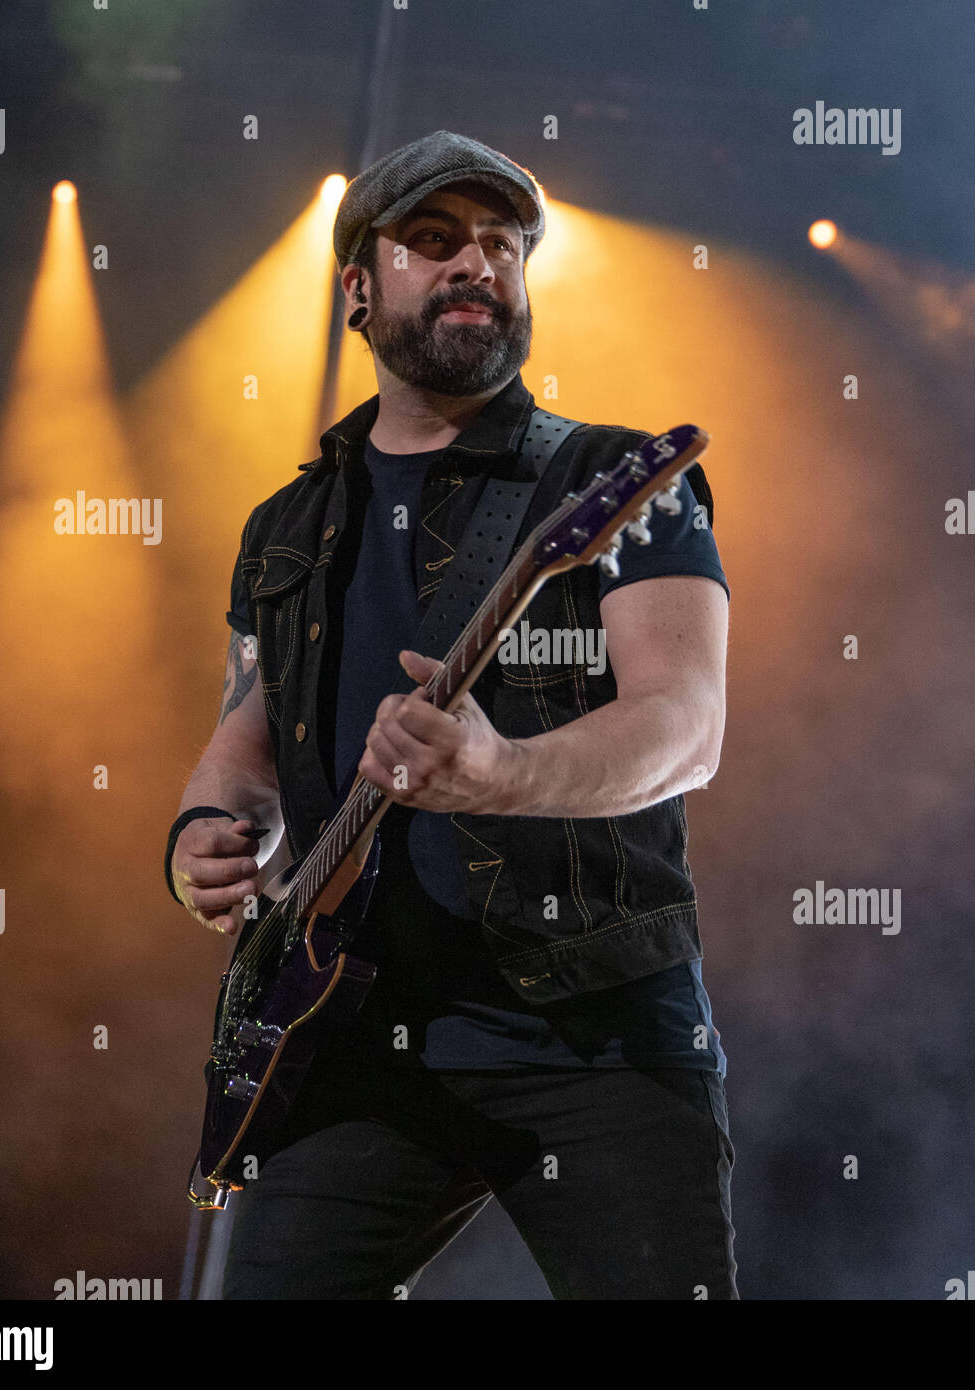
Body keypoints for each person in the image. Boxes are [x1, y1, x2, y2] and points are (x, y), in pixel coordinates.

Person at [166, 130, 736, 1300]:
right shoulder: (288, 522)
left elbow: (685, 724)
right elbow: (250, 732)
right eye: (433, 241)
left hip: (593, 1034)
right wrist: (200, 834)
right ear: (358, 288)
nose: (476, 263)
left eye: (501, 244)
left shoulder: (614, 476)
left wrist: (497, 772)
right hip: (353, 1032)